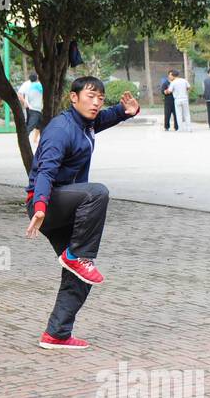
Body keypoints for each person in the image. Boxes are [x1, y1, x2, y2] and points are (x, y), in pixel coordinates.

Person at [24, 76, 140, 350]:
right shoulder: (60, 130)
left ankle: (57, 334)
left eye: (101, 98)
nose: (97, 102)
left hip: (66, 205)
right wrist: (39, 207)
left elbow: (104, 118)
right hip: (47, 204)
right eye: (91, 96)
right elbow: (45, 171)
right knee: (97, 192)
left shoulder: (86, 123)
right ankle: (76, 256)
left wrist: (125, 111)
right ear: (73, 98)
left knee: (82, 276)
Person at [17, 73, 45, 148]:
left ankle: (39, 140)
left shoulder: (27, 84)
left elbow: (20, 94)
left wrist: (25, 102)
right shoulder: (38, 85)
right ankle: (23, 141)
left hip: (31, 108)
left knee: (40, 125)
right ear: (37, 78)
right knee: (31, 126)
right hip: (35, 109)